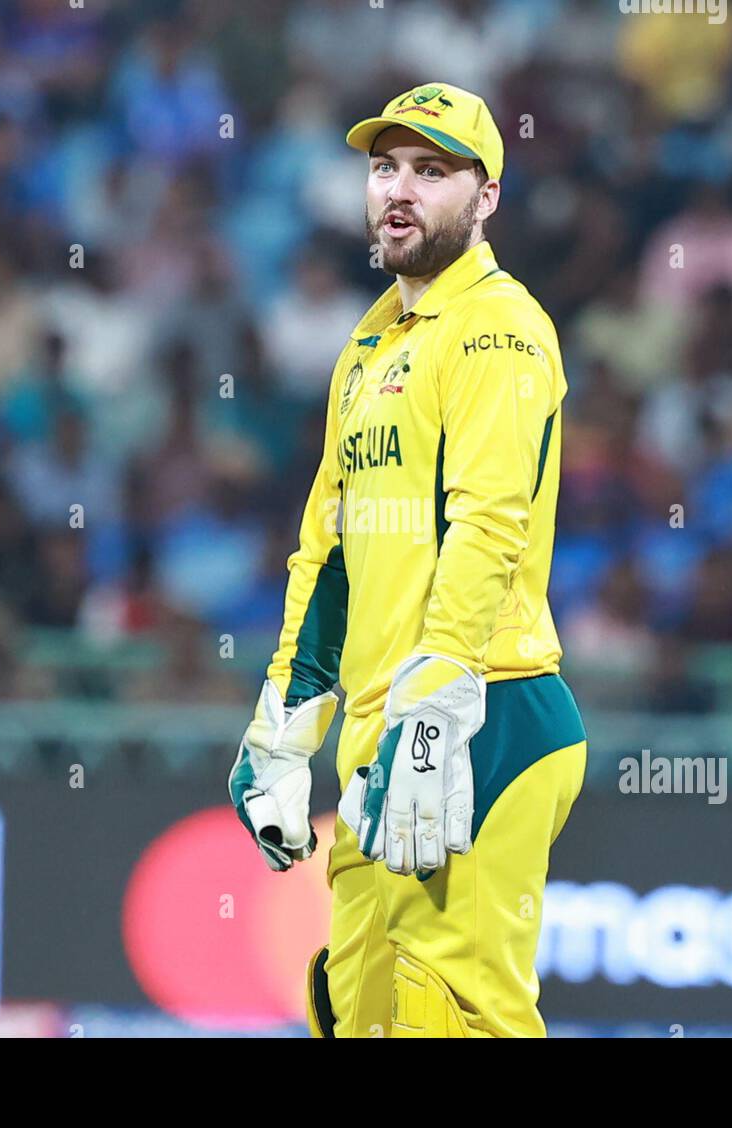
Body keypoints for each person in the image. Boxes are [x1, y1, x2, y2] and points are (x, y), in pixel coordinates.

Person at [229, 83, 586, 1038]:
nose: (400, 190)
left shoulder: (501, 329)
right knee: (360, 1016)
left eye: (433, 171)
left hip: (487, 712)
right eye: (385, 167)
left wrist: (433, 713)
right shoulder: (371, 342)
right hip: (384, 739)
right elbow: (328, 548)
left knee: (461, 1019)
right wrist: (283, 721)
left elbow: (488, 526)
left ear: (487, 197)